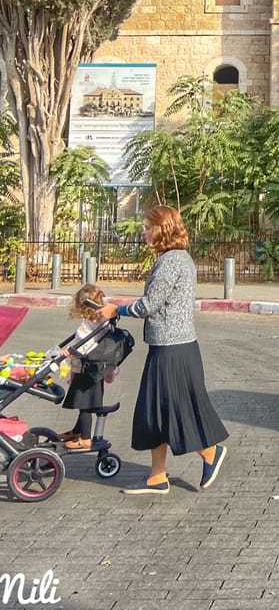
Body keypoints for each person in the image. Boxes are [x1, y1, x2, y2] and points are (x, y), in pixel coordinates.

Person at [99, 205, 228, 495]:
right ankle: (157, 477)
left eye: (148, 227)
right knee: (155, 410)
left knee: (175, 409)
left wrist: (116, 309)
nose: (144, 232)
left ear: (163, 229)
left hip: (173, 349)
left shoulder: (171, 261)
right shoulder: (173, 259)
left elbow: (149, 305)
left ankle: (209, 452)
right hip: (168, 345)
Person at [59, 283, 111, 450]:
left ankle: (86, 438)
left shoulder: (88, 326)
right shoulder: (103, 321)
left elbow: (83, 348)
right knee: (84, 403)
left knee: (84, 406)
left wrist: (70, 353)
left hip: (86, 370)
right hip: (94, 370)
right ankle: (77, 431)